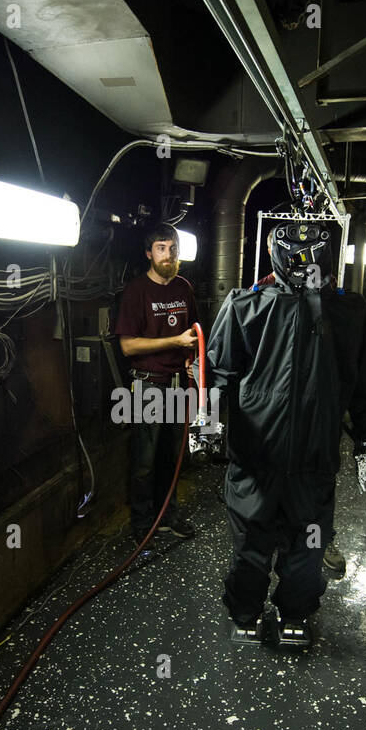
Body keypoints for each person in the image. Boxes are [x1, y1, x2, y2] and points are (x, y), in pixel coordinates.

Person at [207, 221, 344, 648]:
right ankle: (246, 612)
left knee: (308, 542)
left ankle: (295, 614)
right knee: (251, 541)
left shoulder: (345, 310)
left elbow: (359, 378)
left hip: (313, 457)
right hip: (257, 454)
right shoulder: (246, 305)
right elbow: (220, 371)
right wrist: (208, 417)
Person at [252, 237, 366, 576]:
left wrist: (364, 436)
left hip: (321, 411)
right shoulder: (257, 295)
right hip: (273, 418)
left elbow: (360, 366)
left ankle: (321, 541)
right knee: (270, 491)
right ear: (274, 252)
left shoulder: (338, 299)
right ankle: (266, 553)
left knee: (318, 486)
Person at [114, 224, 199, 543]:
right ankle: (141, 521)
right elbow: (128, 346)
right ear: (149, 254)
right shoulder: (137, 291)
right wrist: (173, 341)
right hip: (148, 385)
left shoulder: (184, 288)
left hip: (178, 383)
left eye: (173, 247)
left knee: (173, 457)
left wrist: (190, 357)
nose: (169, 254)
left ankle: (168, 516)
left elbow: (192, 337)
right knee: (144, 461)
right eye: (161, 248)